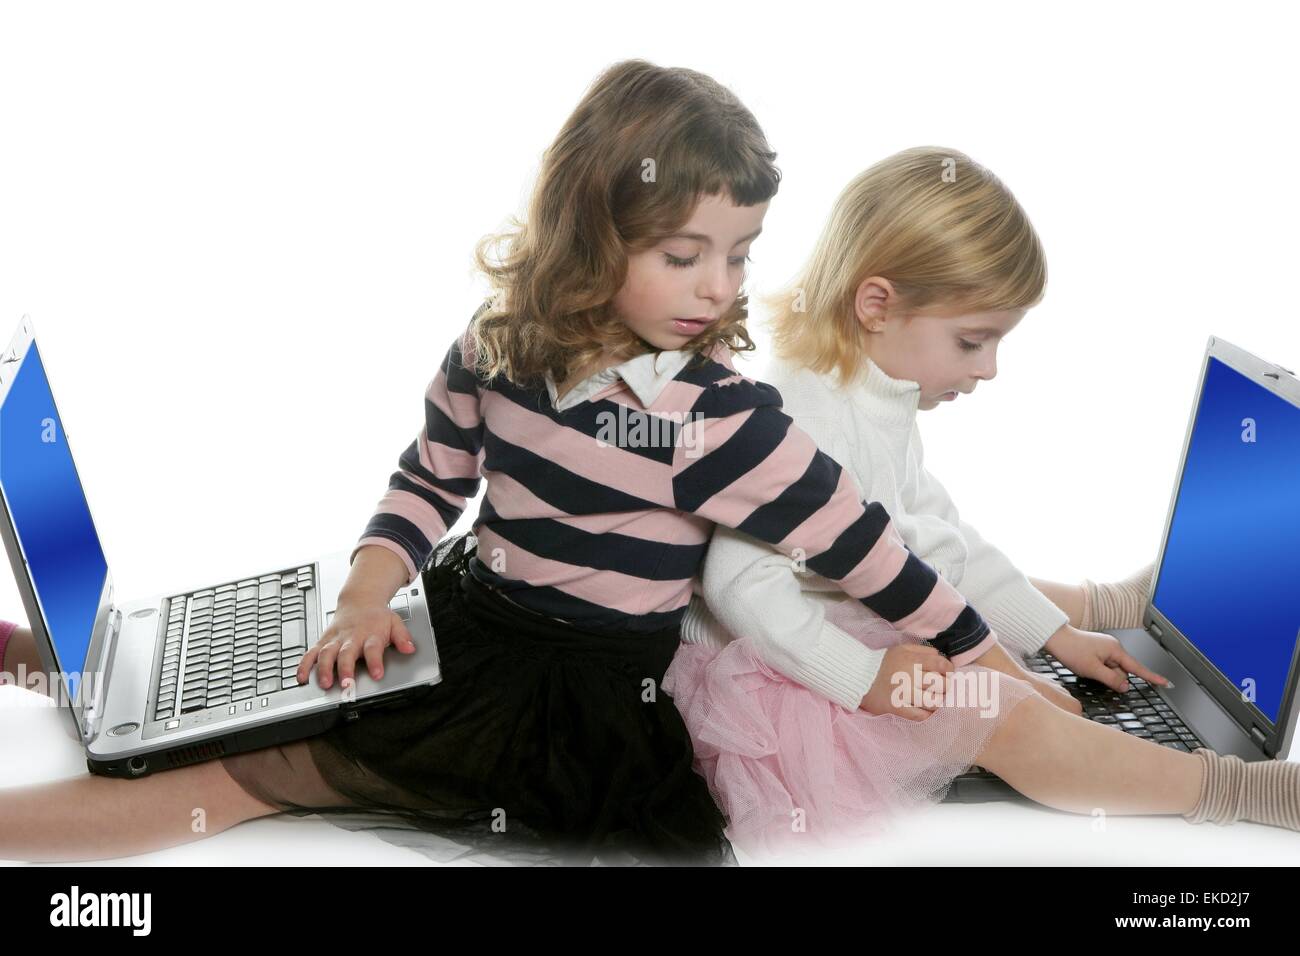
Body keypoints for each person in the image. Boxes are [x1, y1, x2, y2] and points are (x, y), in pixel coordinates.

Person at [0, 64, 1013, 866]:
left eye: (738, 253)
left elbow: (859, 540)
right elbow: (427, 479)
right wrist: (364, 591)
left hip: (577, 690)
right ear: (588, 230)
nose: (717, 284)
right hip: (465, 620)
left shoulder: (720, 418)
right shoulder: (497, 348)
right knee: (237, 730)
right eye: (682, 253)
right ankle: (71, 671)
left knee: (246, 761)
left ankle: (76, 711)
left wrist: (976, 650)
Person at [662, 146, 1300, 860]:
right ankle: (1240, 790)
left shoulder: (875, 388)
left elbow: (935, 539)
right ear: (876, 304)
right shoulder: (799, 417)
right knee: (1003, 712)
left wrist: (1052, 634)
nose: (988, 368)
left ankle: (1109, 605)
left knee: (952, 573)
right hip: (787, 661)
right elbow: (736, 585)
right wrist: (868, 679)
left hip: (837, 608)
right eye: (972, 341)